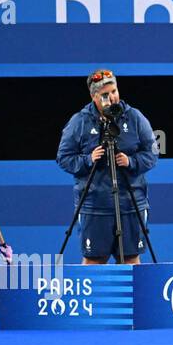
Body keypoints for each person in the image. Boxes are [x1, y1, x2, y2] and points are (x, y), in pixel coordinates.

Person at [55, 69, 158, 264]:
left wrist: (131, 162)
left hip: (130, 205)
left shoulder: (135, 118)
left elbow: (152, 153)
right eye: (105, 95)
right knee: (94, 261)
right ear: (94, 97)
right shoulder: (79, 122)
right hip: (95, 207)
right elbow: (64, 158)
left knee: (130, 260)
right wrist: (88, 160)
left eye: (114, 91)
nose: (112, 98)